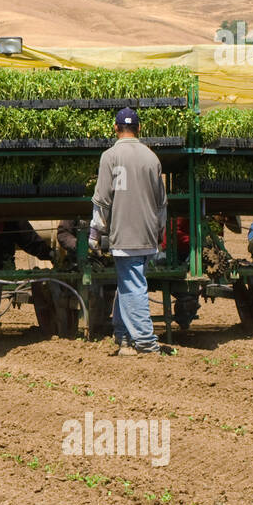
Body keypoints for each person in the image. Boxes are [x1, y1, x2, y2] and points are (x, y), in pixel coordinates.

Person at [91, 107, 167, 356]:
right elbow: (161, 203)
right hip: (147, 233)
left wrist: (95, 233)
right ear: (139, 128)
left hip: (124, 234)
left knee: (133, 285)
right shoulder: (152, 158)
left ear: (115, 128)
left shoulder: (110, 156)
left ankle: (145, 342)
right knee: (129, 283)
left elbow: (102, 200)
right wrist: (159, 231)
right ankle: (123, 337)